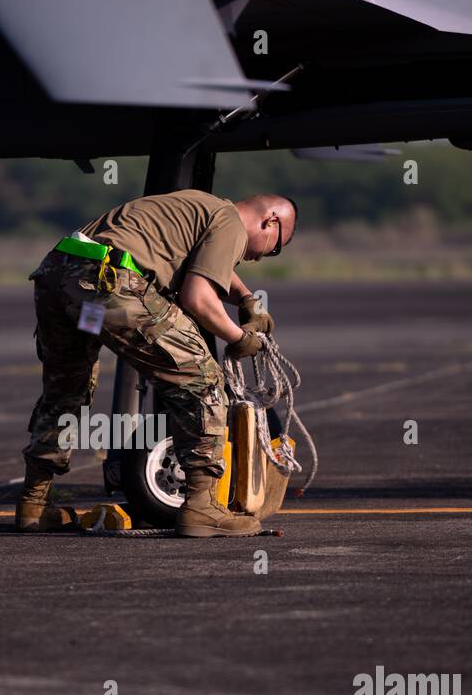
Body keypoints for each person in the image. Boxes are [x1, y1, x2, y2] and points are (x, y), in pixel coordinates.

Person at [17, 189, 298, 537]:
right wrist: (240, 339)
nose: (262, 258)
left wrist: (243, 298)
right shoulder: (231, 224)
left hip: (60, 275)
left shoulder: (202, 207)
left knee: (65, 390)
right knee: (204, 379)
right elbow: (196, 297)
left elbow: (204, 265)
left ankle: (34, 504)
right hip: (111, 282)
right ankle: (201, 506)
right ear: (271, 221)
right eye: (275, 247)